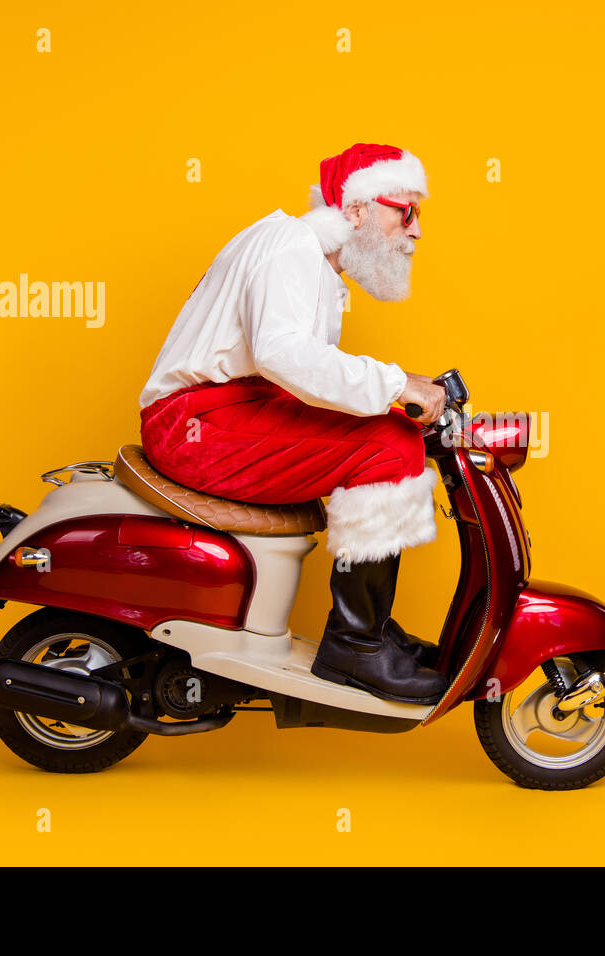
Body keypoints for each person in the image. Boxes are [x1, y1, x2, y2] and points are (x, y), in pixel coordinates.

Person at [137, 143, 449, 705]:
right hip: (197, 423)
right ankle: (354, 646)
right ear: (355, 211)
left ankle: (369, 631)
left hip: (229, 410)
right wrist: (394, 386)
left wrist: (397, 386)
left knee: (391, 434)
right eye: (406, 211)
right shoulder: (290, 251)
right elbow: (283, 356)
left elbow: (298, 372)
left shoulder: (313, 261)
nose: (416, 230)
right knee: (386, 448)